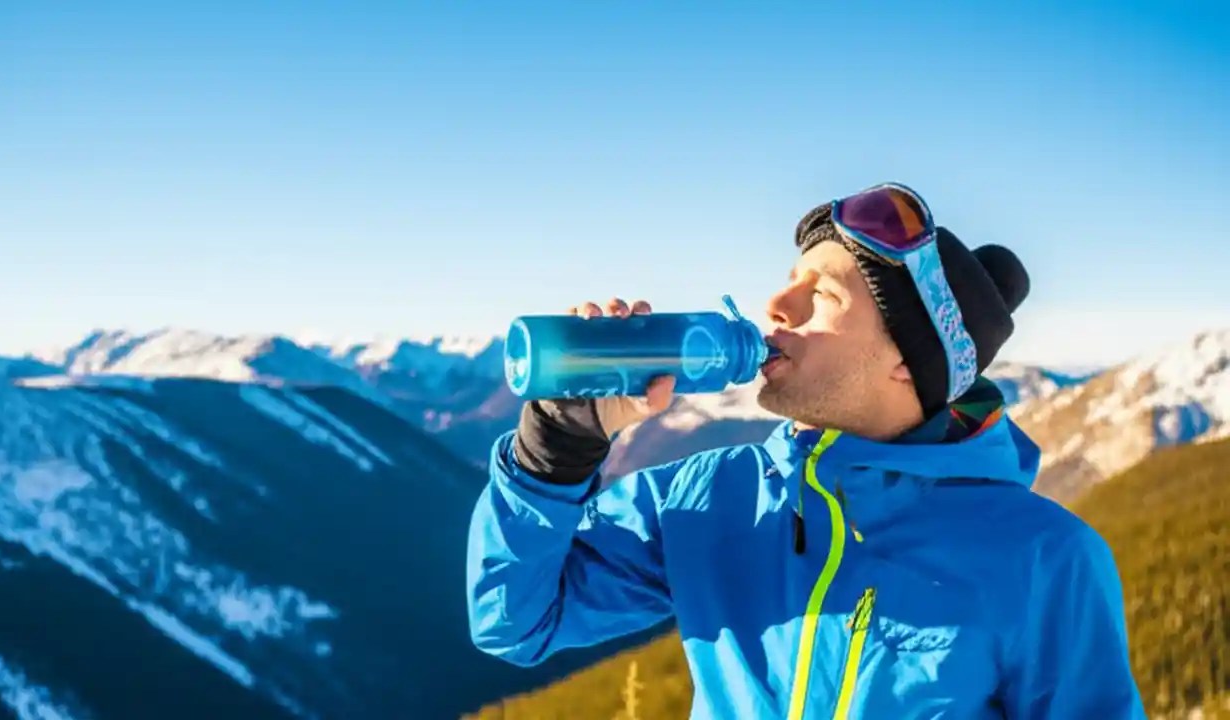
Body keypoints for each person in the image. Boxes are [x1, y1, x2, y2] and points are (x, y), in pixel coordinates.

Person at [465, 182, 1145, 719]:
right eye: (788, 279)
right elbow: (515, 622)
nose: (776, 304)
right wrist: (556, 446)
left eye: (819, 294)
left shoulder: (1044, 557)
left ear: (907, 360)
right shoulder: (707, 495)